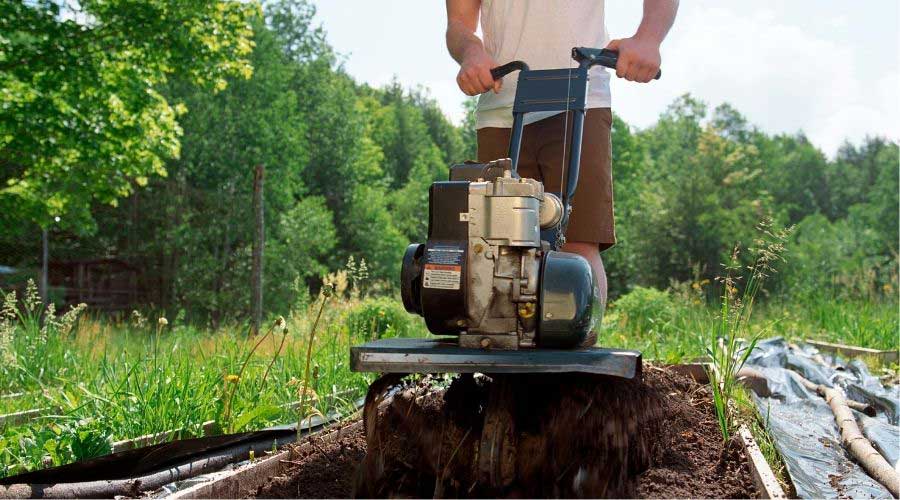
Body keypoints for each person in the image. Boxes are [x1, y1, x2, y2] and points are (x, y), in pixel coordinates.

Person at [445, 0, 678, 323]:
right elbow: (458, 23)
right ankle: (506, 362)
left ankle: (580, 356)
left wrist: (648, 38)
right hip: (501, 105)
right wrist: (471, 52)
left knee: (577, 245)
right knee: (497, 253)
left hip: (580, 94)